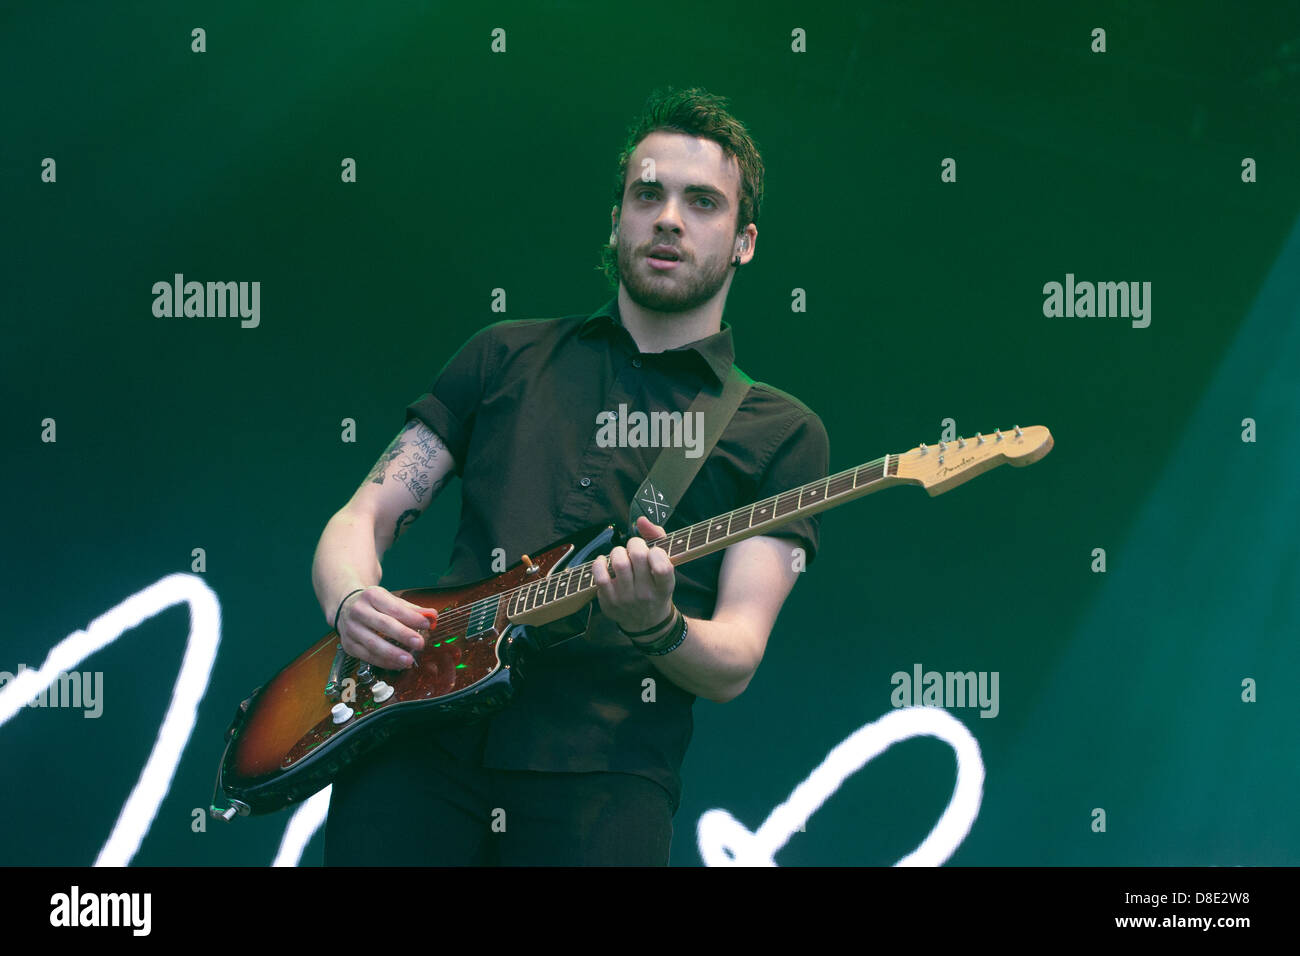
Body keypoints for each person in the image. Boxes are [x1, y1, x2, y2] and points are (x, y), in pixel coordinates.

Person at [312, 87, 829, 865]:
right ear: (617, 215)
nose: (668, 218)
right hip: (415, 748)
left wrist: (657, 623)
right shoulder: (503, 356)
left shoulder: (780, 432)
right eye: (647, 194)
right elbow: (362, 518)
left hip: (604, 785)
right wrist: (350, 597)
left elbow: (735, 660)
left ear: (745, 240)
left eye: (702, 203)